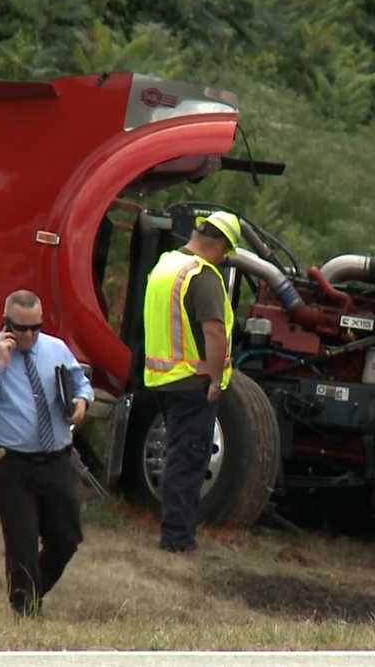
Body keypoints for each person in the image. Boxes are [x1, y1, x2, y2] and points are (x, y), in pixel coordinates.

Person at [0, 290, 93, 616]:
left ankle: (31, 594)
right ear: (6, 324)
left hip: (55, 457)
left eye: (36, 327)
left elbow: (79, 381)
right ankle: (24, 609)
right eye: (22, 328)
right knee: (23, 541)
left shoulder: (55, 349)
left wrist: (81, 402)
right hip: (11, 463)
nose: (30, 336)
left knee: (66, 537)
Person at [142, 210, 240, 553]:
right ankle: (178, 540)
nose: (224, 259)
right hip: (193, 382)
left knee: (178, 456)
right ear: (220, 245)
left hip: (163, 379)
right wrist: (215, 379)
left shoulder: (167, 265)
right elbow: (213, 330)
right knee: (188, 461)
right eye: (226, 252)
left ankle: (174, 533)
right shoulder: (203, 275)